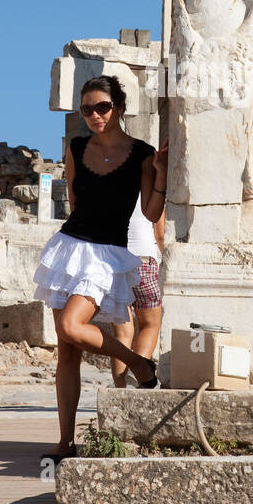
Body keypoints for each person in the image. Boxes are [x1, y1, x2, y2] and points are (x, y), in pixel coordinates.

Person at [33, 75, 167, 464]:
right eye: (87, 109)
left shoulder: (142, 153)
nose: (94, 115)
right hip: (70, 246)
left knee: (71, 327)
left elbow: (151, 213)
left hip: (108, 252)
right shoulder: (76, 147)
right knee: (67, 351)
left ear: (119, 108)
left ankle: (137, 362)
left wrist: (159, 174)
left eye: (102, 107)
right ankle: (64, 442)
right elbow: (75, 201)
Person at [108, 194, 166, 388]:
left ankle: (119, 390)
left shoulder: (110, 180)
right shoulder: (151, 189)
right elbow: (160, 233)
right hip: (143, 259)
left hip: (114, 260)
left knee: (122, 333)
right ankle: (138, 369)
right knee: (150, 323)